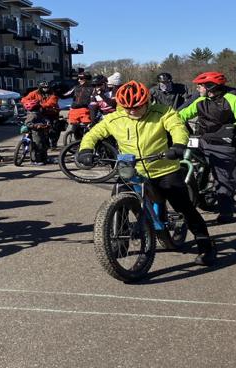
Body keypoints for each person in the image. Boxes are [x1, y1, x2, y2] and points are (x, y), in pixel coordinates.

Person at [76, 80, 216, 267]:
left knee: (183, 206)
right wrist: (86, 150)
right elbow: (93, 134)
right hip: (133, 168)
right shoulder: (114, 118)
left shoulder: (162, 112)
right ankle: (120, 240)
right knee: (119, 197)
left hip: (163, 168)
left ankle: (205, 244)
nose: (132, 111)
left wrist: (178, 146)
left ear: (147, 101)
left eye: (137, 106)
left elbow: (177, 127)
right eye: (127, 107)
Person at [178, 71, 236, 223]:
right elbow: (183, 114)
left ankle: (226, 211)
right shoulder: (200, 100)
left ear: (210, 86)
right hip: (201, 139)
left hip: (222, 143)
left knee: (223, 179)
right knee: (181, 156)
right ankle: (197, 183)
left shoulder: (232, 99)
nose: (198, 89)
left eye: (200, 86)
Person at [19, 81, 61, 163]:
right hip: (37, 113)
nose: (46, 89)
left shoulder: (53, 94)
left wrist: (38, 105)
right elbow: (24, 99)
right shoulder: (34, 93)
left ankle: (50, 146)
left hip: (50, 114)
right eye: (44, 87)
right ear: (40, 88)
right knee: (36, 134)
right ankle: (35, 153)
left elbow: (51, 103)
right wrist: (28, 104)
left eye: (47, 87)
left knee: (50, 132)